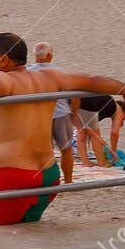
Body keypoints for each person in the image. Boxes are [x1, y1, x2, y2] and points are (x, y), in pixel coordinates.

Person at [0, 32, 125, 227]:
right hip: (47, 176)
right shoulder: (49, 77)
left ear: (3, 61)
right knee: (27, 233)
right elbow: (92, 80)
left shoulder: (3, 78)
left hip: (11, 177)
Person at [28, 41, 76, 184]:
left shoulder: (28, 73)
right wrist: (73, 112)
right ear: (49, 56)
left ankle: (46, 182)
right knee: (66, 149)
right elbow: (74, 94)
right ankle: (68, 181)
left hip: (40, 115)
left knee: (44, 152)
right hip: (61, 113)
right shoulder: (59, 71)